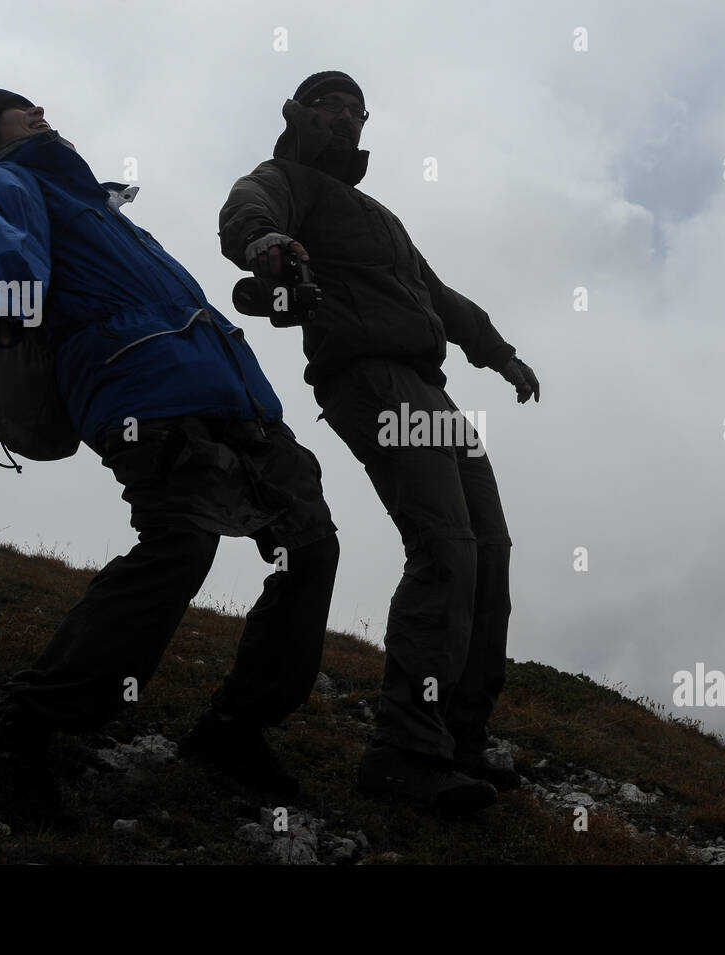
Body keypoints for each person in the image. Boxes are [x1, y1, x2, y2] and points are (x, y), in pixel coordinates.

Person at [0, 86, 339, 825]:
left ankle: (233, 730)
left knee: (310, 547)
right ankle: (18, 727)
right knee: (179, 547)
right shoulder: (10, 180)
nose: (37, 109)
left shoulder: (99, 207)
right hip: (141, 390)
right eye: (16, 105)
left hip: (235, 395)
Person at [219, 72, 540, 817]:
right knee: (446, 547)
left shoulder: (378, 216)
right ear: (298, 113)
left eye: (357, 109)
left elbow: (440, 295)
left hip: (429, 387)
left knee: (489, 548)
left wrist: (499, 352)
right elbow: (248, 211)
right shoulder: (286, 179)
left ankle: (460, 733)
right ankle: (403, 749)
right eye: (332, 103)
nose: (348, 116)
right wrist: (265, 243)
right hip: (368, 377)